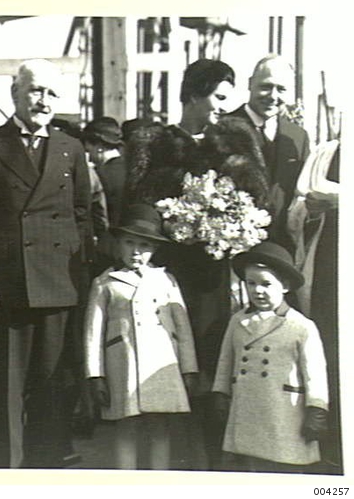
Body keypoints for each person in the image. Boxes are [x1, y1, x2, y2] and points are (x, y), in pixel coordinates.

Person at [126, 58, 268, 470]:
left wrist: (232, 231)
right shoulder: (155, 143)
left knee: (211, 360)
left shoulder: (236, 141)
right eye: (218, 97)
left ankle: (213, 460)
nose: (225, 107)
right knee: (168, 362)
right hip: (168, 272)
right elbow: (137, 207)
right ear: (192, 95)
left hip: (215, 273)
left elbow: (259, 203)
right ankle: (173, 461)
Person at [0, 59, 91, 468]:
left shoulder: (71, 149)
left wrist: (77, 274)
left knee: (52, 389)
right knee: (7, 389)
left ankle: (46, 475)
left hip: (57, 285)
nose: (44, 100)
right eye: (36, 91)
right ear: (15, 94)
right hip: (6, 286)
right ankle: (7, 477)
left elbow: (82, 213)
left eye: (52, 93)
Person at [84, 203, 198, 470]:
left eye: (144, 246)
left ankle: (159, 481)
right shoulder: (105, 282)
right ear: (118, 244)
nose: (136, 252)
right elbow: (93, 332)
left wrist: (189, 368)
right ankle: (128, 484)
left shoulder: (166, 280)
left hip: (161, 364)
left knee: (160, 425)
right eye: (129, 243)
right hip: (124, 364)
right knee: (127, 426)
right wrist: (95, 374)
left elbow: (183, 329)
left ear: (154, 249)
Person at [212, 241, 329, 473]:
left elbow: (315, 372)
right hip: (246, 407)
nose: (257, 291)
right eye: (251, 283)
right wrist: (220, 392)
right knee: (251, 465)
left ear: (285, 285)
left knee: (284, 466)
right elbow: (226, 361)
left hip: (284, 411)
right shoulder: (238, 321)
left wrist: (317, 408)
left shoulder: (301, 326)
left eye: (266, 284)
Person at [228, 54, 311, 253]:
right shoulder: (224, 129)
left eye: (281, 89)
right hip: (232, 247)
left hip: (280, 248)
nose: (273, 96)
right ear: (250, 84)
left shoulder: (298, 137)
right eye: (266, 86)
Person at [82, 116, 126, 274]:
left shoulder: (98, 175)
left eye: (89, 150)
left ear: (99, 145)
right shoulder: (131, 169)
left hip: (107, 246)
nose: (89, 156)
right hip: (131, 245)